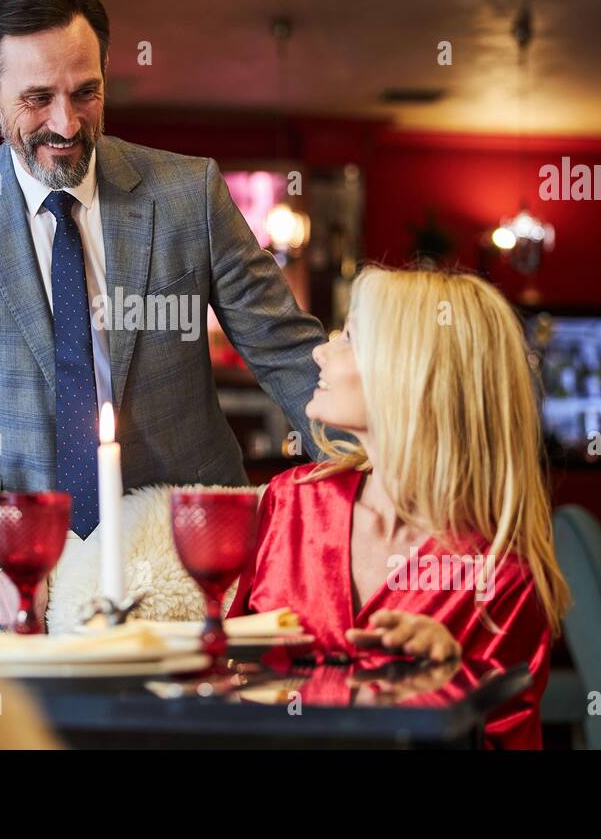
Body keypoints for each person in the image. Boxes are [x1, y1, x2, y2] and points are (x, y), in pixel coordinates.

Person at [0, 0, 326, 629]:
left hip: (188, 572)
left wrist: (374, 489)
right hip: (22, 586)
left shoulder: (188, 195)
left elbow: (293, 361)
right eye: (36, 98)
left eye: (85, 92)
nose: (65, 123)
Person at [227, 265, 571, 748]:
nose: (320, 351)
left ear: (411, 375)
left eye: (348, 337)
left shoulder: (502, 576)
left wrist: (446, 685)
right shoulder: (289, 502)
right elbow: (226, 679)